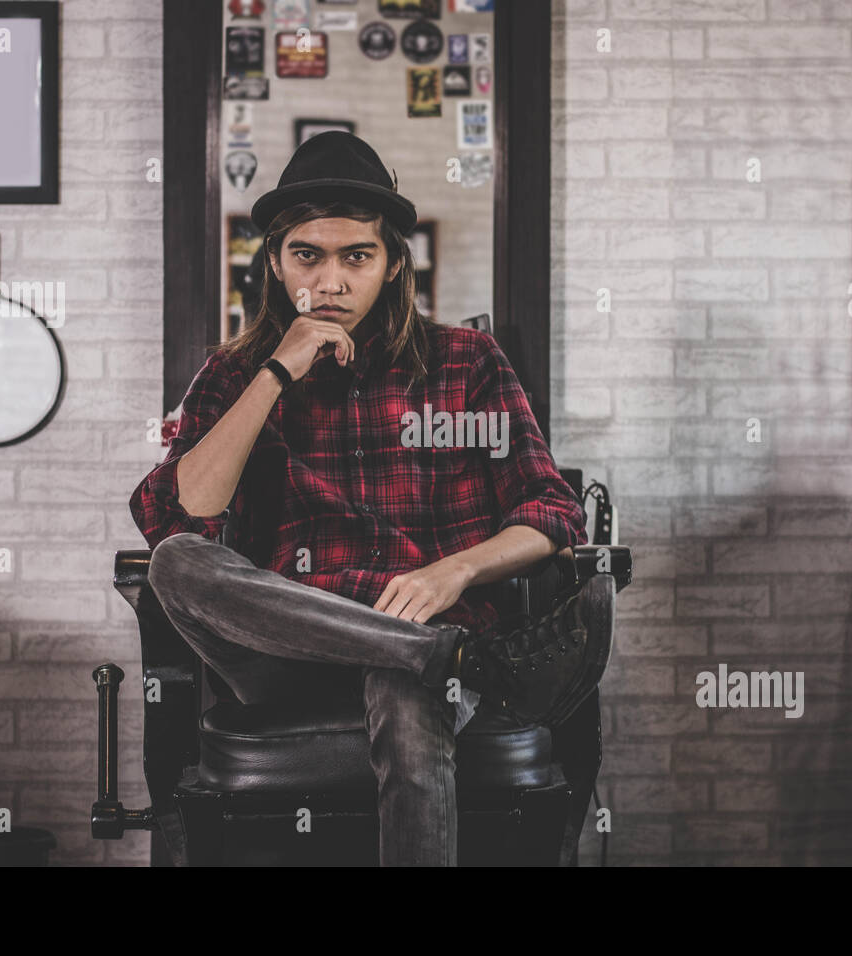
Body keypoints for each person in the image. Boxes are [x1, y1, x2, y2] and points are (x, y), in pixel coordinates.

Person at [129, 131, 615, 866]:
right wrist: (277, 372)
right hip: (284, 650)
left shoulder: (467, 363)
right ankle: (450, 658)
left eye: (355, 257)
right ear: (274, 261)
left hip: (413, 623)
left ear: (391, 265)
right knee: (174, 561)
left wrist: (454, 573)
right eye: (307, 256)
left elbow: (549, 512)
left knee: (408, 684)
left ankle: (428, 655)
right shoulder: (235, 374)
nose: (330, 282)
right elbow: (182, 513)